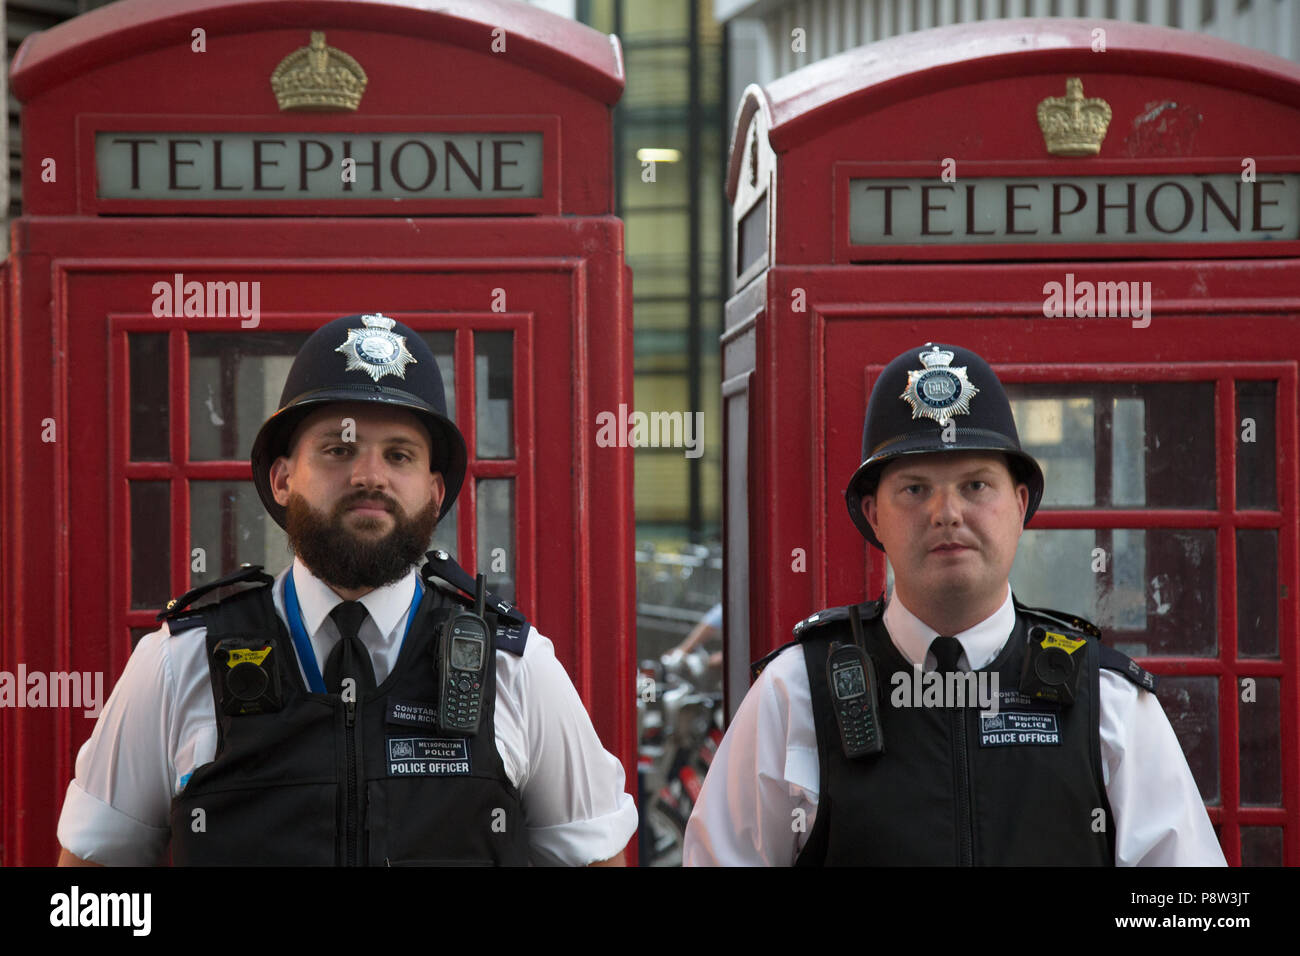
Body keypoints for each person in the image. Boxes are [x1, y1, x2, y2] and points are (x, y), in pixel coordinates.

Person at [56, 312, 636, 866]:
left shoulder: (517, 668)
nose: (368, 476)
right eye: (338, 449)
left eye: (399, 455)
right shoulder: (177, 663)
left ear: (435, 491)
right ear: (283, 479)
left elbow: (595, 862)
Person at [683, 342, 1225, 866]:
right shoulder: (795, 691)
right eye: (915, 489)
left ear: (1019, 505)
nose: (947, 513)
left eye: (975, 485)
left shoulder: (1104, 698)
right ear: (874, 515)